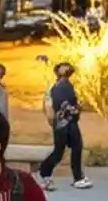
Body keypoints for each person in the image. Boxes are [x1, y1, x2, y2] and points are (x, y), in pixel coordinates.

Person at [38, 62, 91, 191]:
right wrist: (74, 109)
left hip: (70, 122)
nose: (67, 71)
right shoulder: (58, 87)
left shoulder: (67, 85)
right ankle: (44, 171)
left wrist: (76, 107)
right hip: (62, 124)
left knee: (77, 148)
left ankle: (78, 177)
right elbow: (61, 104)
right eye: (64, 69)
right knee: (59, 152)